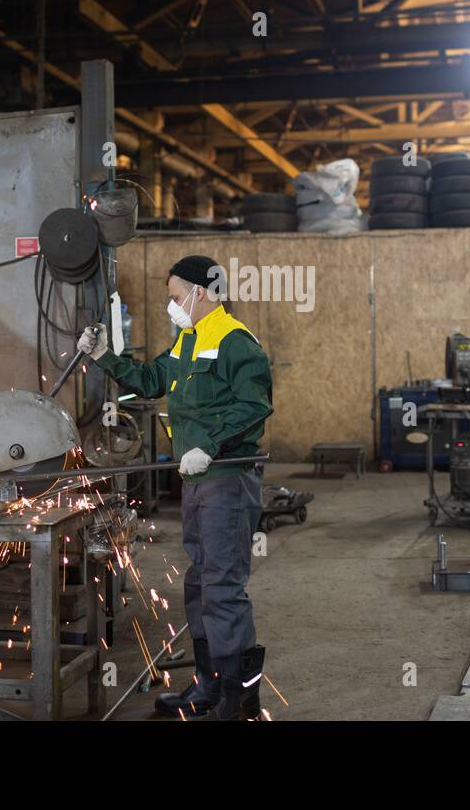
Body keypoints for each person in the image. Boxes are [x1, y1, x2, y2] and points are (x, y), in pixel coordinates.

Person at [76, 255, 273, 720]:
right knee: (200, 584)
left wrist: (209, 444)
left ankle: (239, 698)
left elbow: (254, 406)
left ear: (199, 292)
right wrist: (103, 355)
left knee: (222, 587)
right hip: (197, 483)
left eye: (174, 296)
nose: (171, 305)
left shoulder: (236, 343)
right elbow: (149, 381)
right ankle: (209, 685)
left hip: (227, 481)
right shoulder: (189, 339)